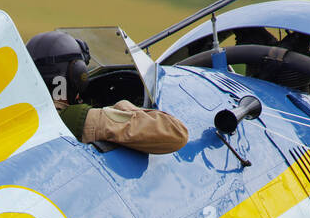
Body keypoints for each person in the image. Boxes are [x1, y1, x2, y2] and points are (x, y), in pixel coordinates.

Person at [26, 31, 188, 155]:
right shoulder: (77, 119)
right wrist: (121, 107)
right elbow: (176, 133)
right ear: (77, 75)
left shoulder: (18, 114)